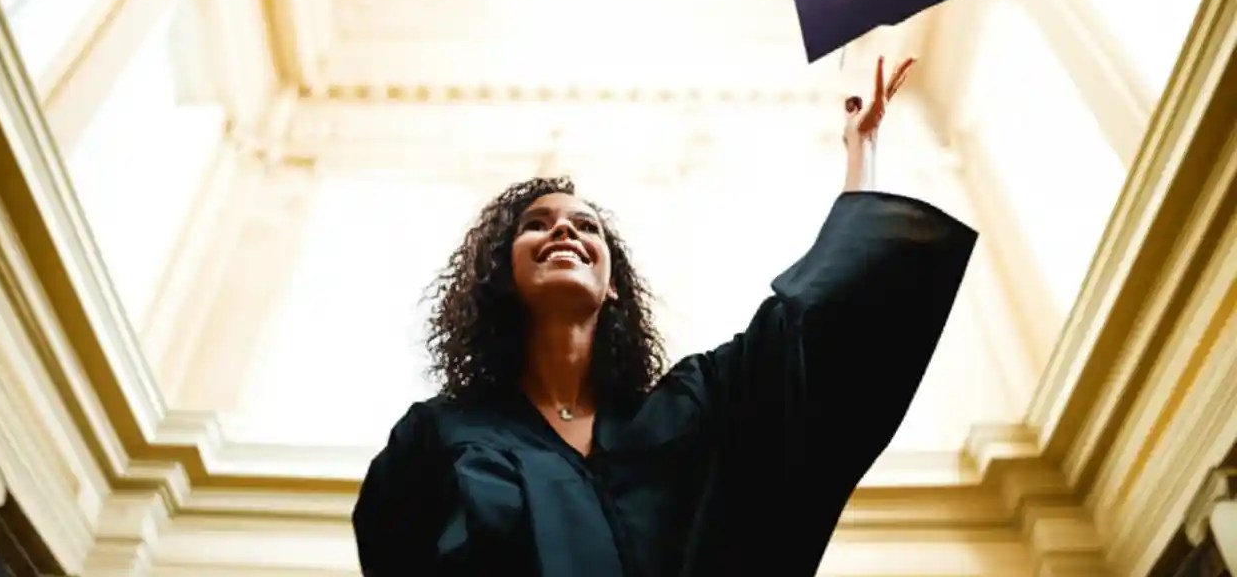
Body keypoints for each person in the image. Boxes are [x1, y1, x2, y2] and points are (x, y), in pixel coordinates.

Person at [352, 56, 978, 576]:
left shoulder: (687, 410)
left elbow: (808, 333)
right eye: (535, 225)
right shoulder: (438, 435)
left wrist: (860, 153)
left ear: (613, 285)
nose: (563, 228)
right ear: (501, 272)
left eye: (585, 225)